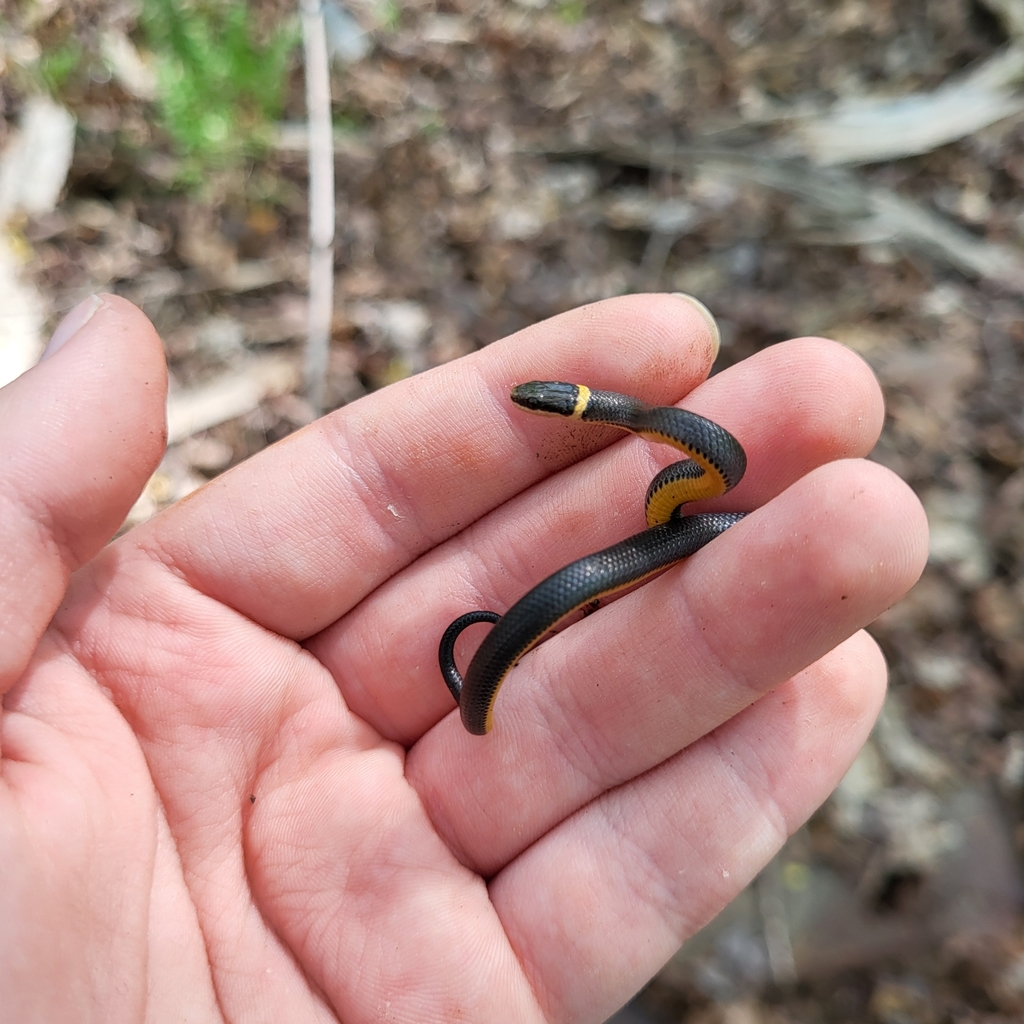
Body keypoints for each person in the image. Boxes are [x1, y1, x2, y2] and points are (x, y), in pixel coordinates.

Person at [1, 291, 927, 1022]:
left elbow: (701, 481)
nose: (533, 407)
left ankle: (483, 674)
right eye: (540, 401)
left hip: (685, 510)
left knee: (767, 542)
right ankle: (478, 682)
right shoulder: (661, 450)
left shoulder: (680, 448)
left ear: (584, 410)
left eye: (547, 404)